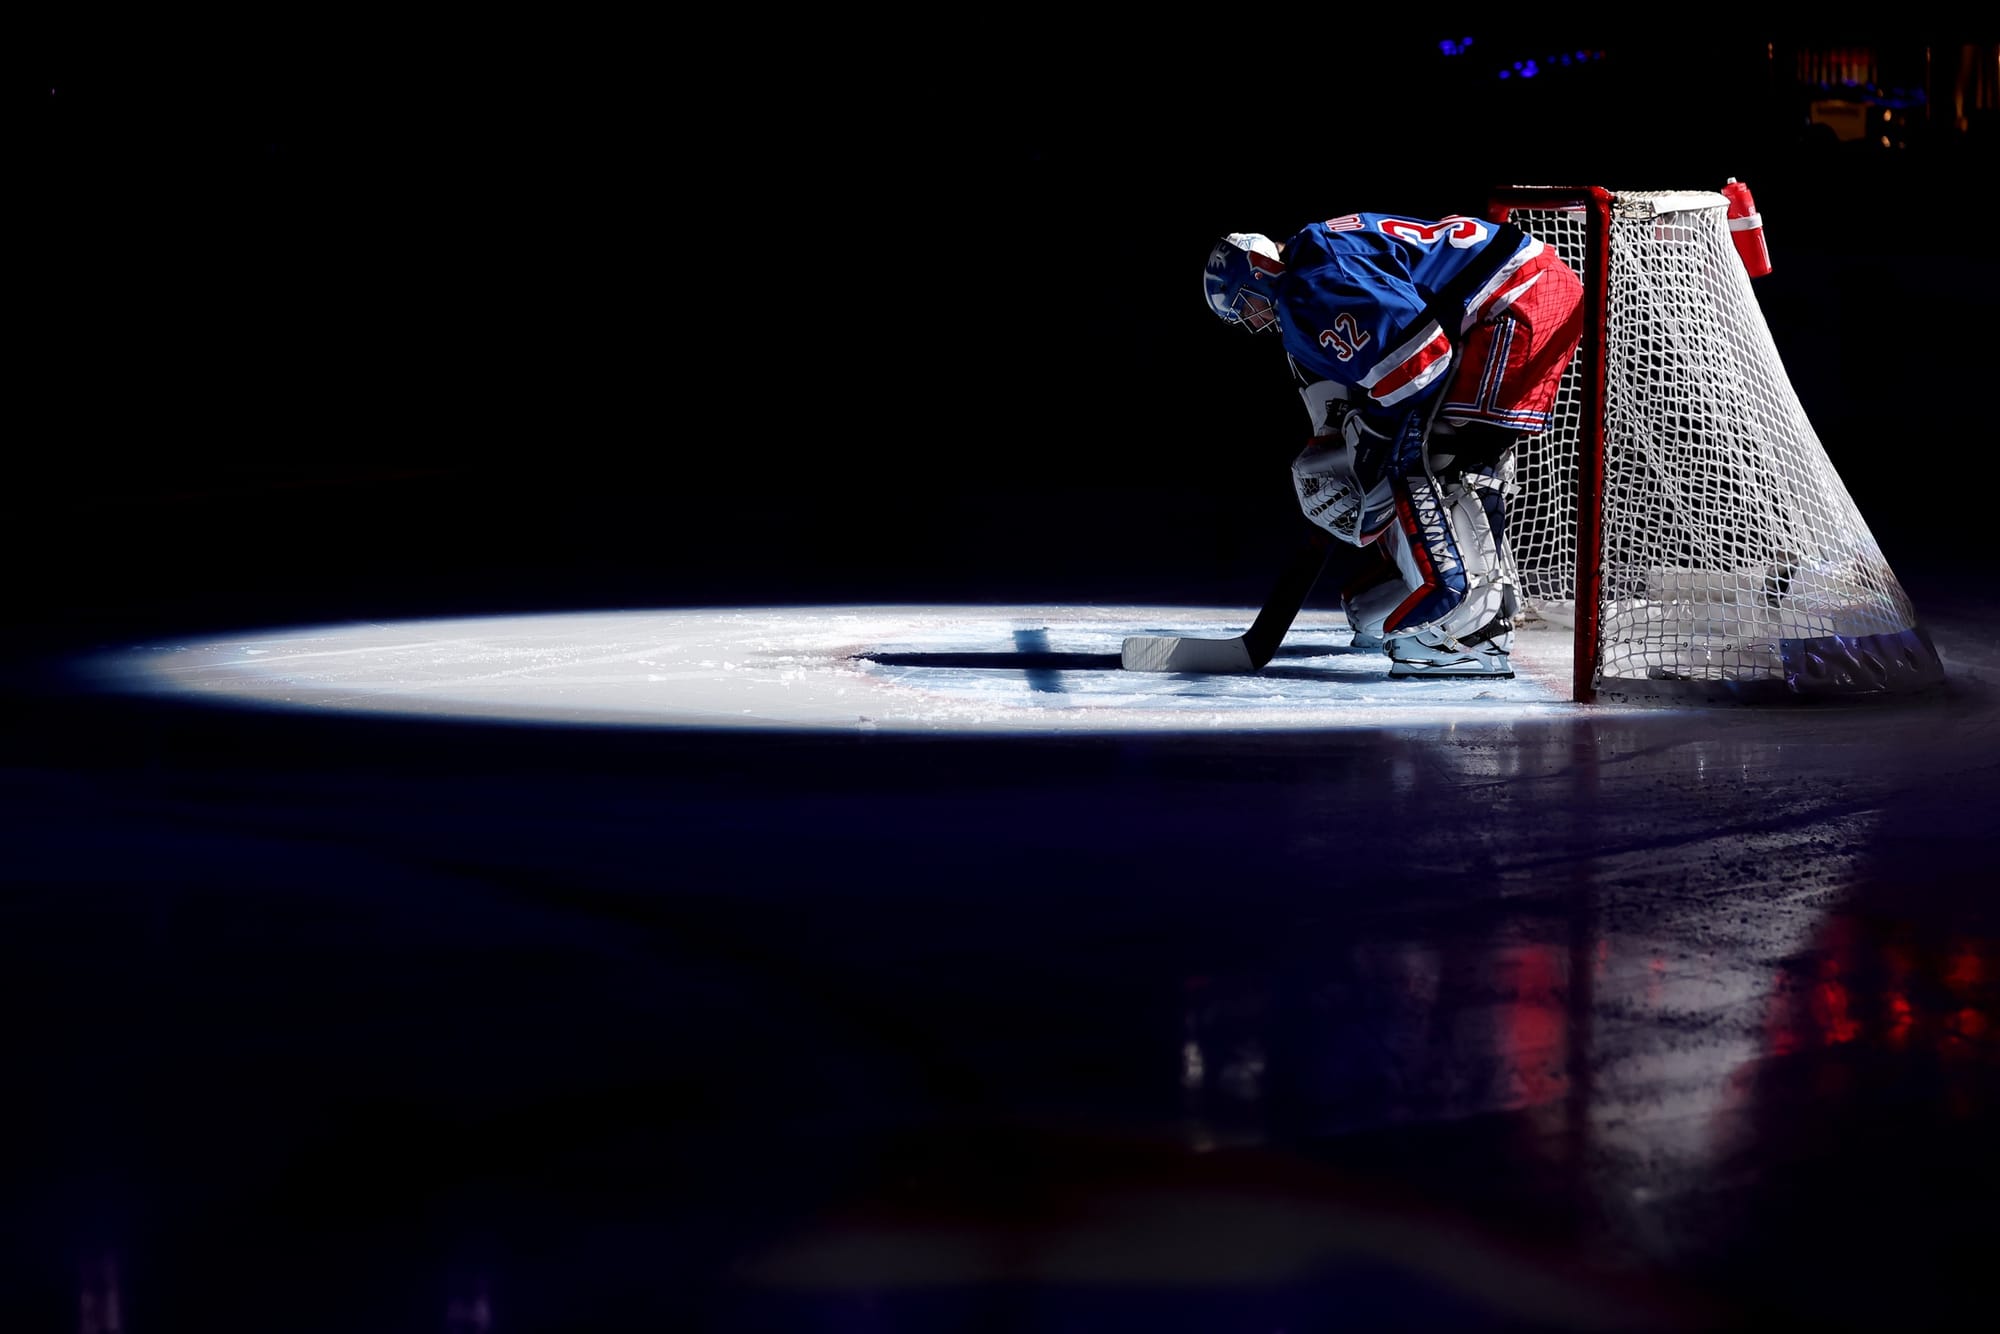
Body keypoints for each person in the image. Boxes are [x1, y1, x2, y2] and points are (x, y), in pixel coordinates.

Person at [1203, 210, 1584, 678]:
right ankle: (1446, 594)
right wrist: (1344, 446)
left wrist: (1370, 448)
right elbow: (1352, 391)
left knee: (1444, 454)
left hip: (1520, 295)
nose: (1254, 318)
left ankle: (1469, 629)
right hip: (1515, 289)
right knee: (1437, 447)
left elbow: (1420, 367)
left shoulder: (1313, 284)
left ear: (1261, 270)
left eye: (1247, 303)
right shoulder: (1313, 265)